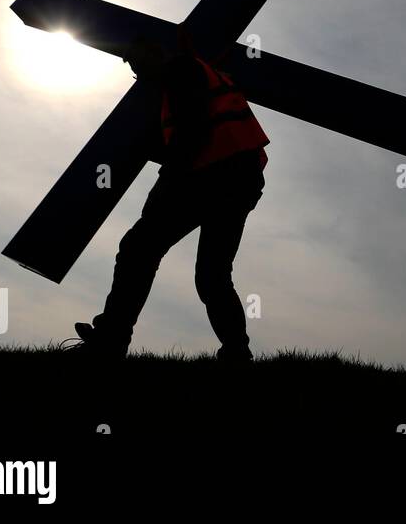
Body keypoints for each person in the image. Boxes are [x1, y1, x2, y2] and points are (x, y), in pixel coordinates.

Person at [72, 24, 268, 362]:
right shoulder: (199, 73)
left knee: (138, 250)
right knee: (212, 273)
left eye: (136, 59)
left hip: (210, 176)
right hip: (241, 178)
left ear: (156, 53)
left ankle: (111, 339)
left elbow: (191, 132)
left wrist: (167, 184)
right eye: (130, 62)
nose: (134, 67)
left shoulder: (181, 72)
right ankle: (237, 353)